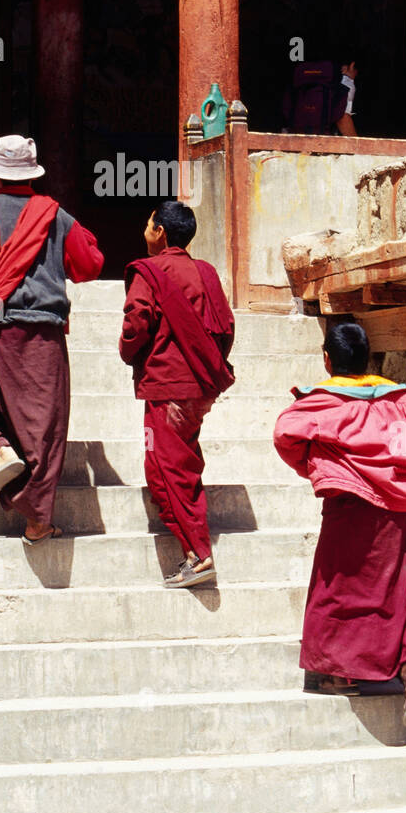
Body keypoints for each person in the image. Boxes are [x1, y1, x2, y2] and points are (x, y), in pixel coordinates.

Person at [273, 320, 406, 723]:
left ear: (327, 360)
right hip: (399, 512)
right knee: (403, 592)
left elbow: (286, 435)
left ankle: (341, 674)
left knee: (340, 588)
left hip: (348, 508)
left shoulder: (320, 403)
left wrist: (322, 465)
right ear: (368, 360)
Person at [0, 134, 103, 544]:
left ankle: (1, 448)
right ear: (33, 172)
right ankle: (36, 520)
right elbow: (89, 265)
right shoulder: (56, 216)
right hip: (42, 331)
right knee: (44, 426)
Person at [119, 200, 235, 588]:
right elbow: (226, 326)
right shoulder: (206, 272)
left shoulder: (150, 271)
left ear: (161, 232)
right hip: (199, 389)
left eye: (149, 225)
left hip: (167, 387)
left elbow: (137, 322)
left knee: (166, 470)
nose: (145, 231)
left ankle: (199, 556)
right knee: (183, 461)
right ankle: (194, 549)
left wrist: (127, 351)